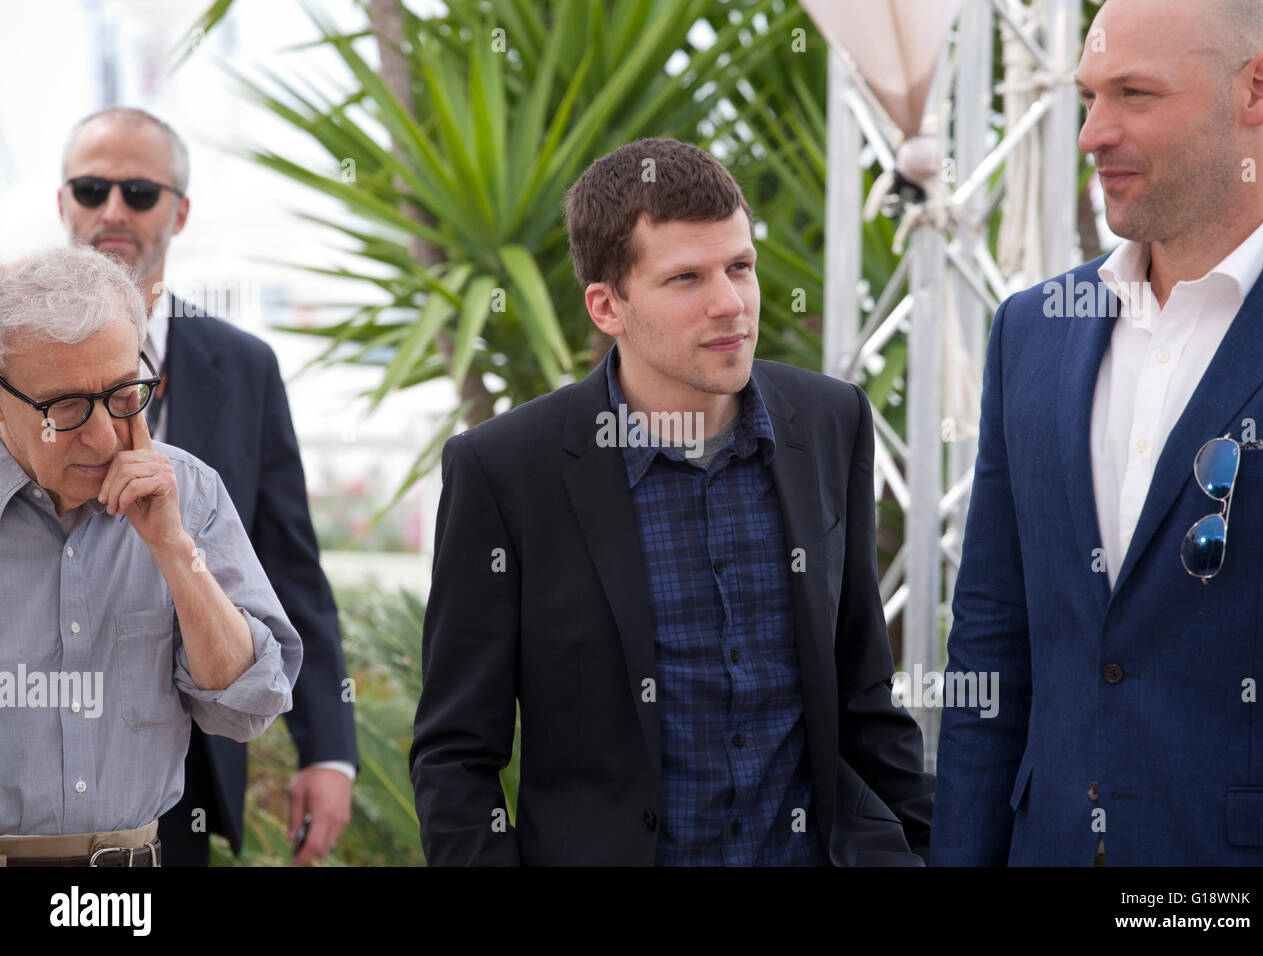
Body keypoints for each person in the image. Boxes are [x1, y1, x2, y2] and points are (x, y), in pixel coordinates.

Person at [409, 137, 933, 866]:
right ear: (607, 306)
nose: (731, 304)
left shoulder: (831, 421)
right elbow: (456, 757)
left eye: (740, 267)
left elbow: (865, 701)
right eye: (686, 278)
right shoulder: (505, 471)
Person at [932, 0, 1263, 865]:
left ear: (1259, 90)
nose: (1093, 132)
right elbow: (991, 639)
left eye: (1134, 93)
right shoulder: (1032, 330)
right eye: (1089, 96)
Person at [58, 107, 357, 866]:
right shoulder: (10, 358)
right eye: (91, 189)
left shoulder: (245, 365)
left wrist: (329, 751)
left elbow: (288, 565)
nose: (113, 210)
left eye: (139, 191)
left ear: (180, 210)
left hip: (189, 764)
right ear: (62, 203)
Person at [0, 246, 301, 866]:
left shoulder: (188, 494)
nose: (105, 436)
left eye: (122, 394)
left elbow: (250, 706)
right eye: (66, 408)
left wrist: (173, 548)